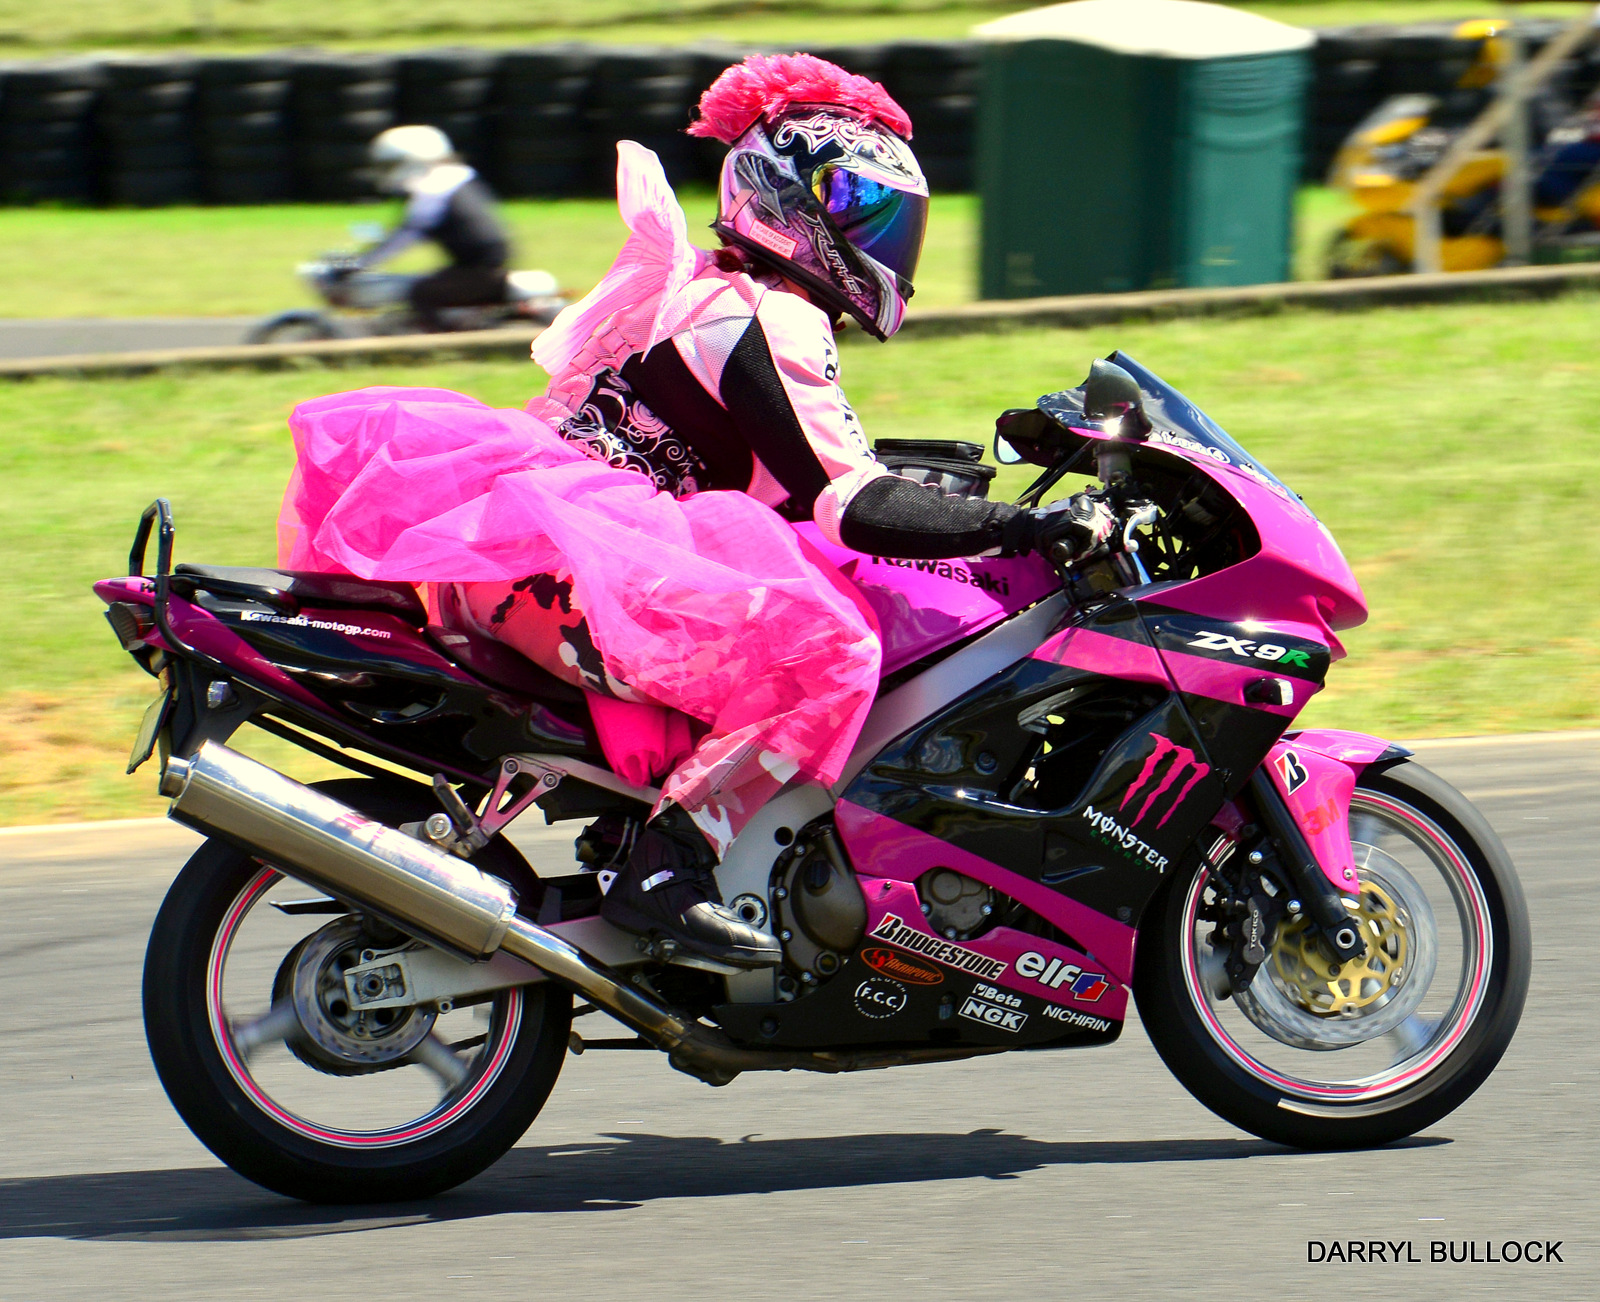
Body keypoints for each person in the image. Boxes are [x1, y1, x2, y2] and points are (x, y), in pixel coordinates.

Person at [281, 55, 1112, 972]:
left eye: (891, 217)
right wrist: (1025, 527)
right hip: (575, 573)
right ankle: (670, 865)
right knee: (832, 654)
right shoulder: (772, 318)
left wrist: (936, 495)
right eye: (857, 206)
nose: (880, 237)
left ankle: (642, 836)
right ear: (784, 195)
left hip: (513, 555)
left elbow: (781, 465)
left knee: (778, 607)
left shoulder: (707, 286)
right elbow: (852, 502)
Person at [350, 125, 512, 330]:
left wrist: (362, 262)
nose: (386, 172)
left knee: (420, 291)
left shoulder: (434, 187)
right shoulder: (457, 178)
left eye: (390, 166)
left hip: (478, 269)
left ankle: (445, 339)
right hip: (482, 265)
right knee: (431, 281)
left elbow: (410, 231)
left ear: (413, 161)